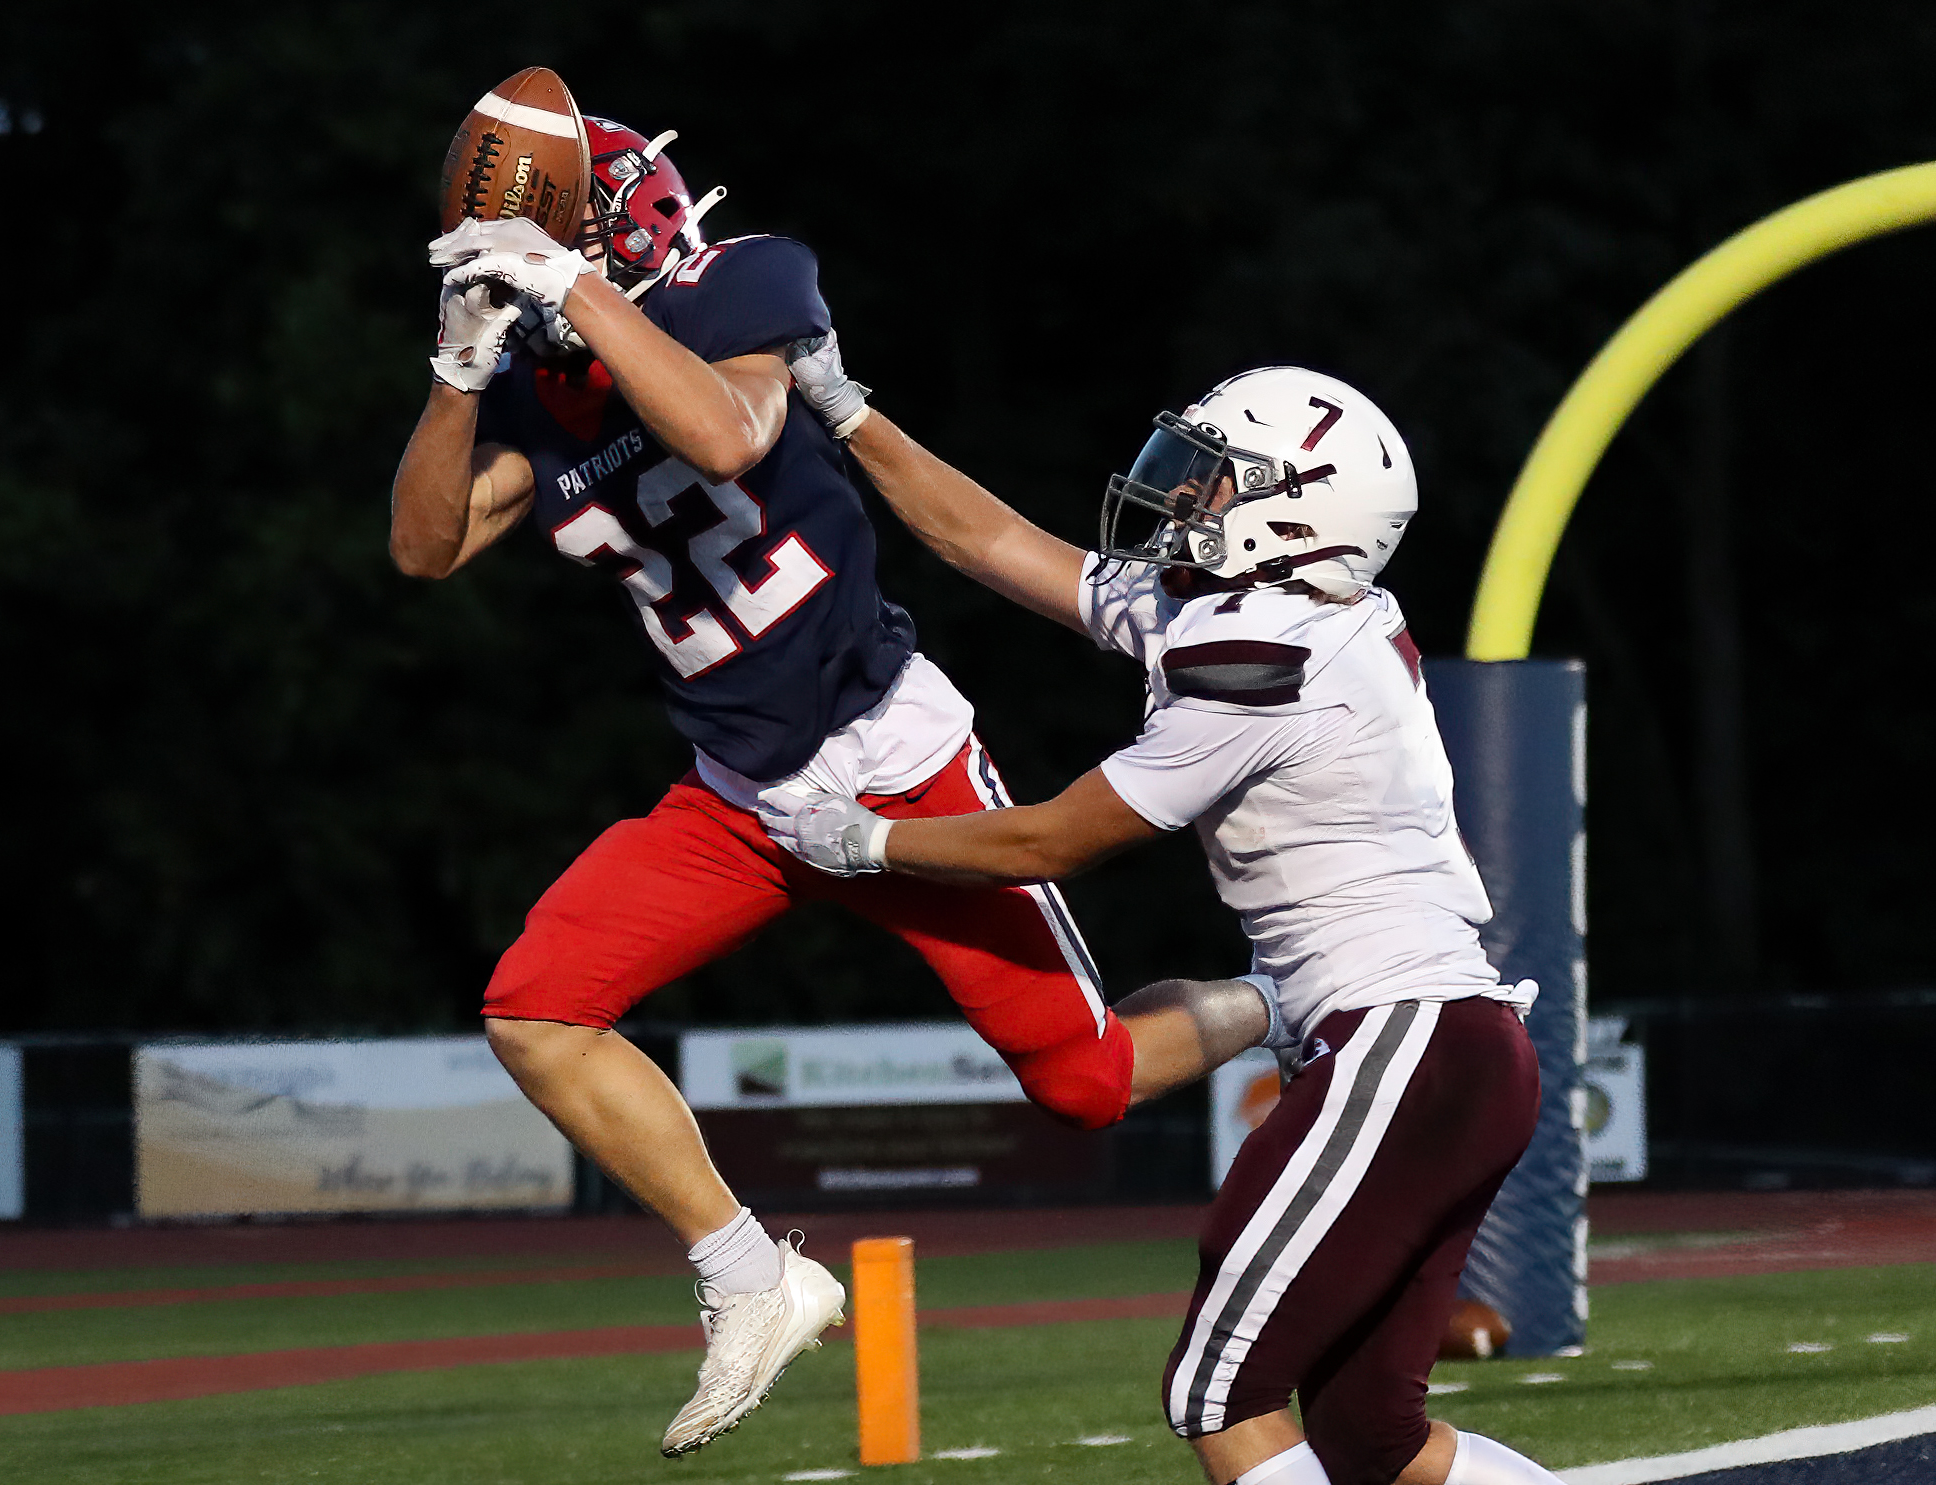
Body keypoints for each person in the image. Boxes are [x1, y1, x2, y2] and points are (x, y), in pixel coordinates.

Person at [388, 111, 1278, 1457]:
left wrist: (572, 285)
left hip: (894, 765)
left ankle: (1282, 997)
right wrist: (457, 375)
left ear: (612, 238)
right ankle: (751, 1277)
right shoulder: (531, 395)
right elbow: (423, 549)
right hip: (739, 799)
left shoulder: (741, 283)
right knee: (536, 1010)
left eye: (554, 243)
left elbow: (727, 437)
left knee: (1086, 1080)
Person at [768, 348, 1566, 1485]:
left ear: (1298, 514)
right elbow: (991, 542)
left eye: (1221, 476)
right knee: (1369, 1437)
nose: (1187, 491)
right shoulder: (1292, 612)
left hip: (1401, 1041)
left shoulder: (1264, 661)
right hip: (1457, 1047)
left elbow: (1047, 841)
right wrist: (851, 413)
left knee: (1218, 1393)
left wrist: (864, 841)